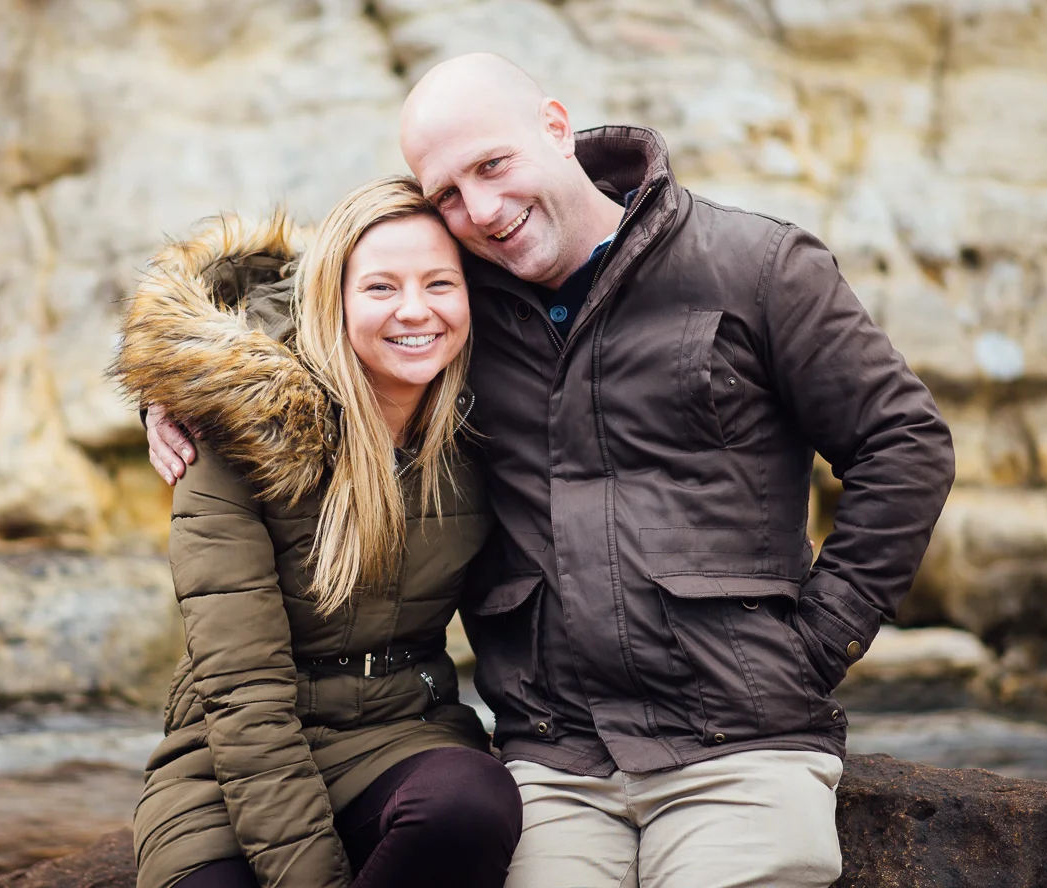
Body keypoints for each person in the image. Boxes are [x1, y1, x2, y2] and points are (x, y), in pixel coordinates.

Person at [146, 54, 956, 888]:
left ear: (557, 127)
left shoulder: (756, 266)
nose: (482, 210)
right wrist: (184, 386)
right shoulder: (461, 294)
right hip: (555, 759)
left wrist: (815, 644)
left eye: (493, 165)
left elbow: (904, 441)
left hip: (740, 743)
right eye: (447, 193)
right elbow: (321, 304)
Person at [117, 175, 522, 888]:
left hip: (400, 736)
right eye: (380, 288)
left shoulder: (485, 421)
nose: (415, 310)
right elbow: (243, 690)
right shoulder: (238, 434)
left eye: (439, 283)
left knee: (468, 808)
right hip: (226, 762)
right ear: (332, 298)